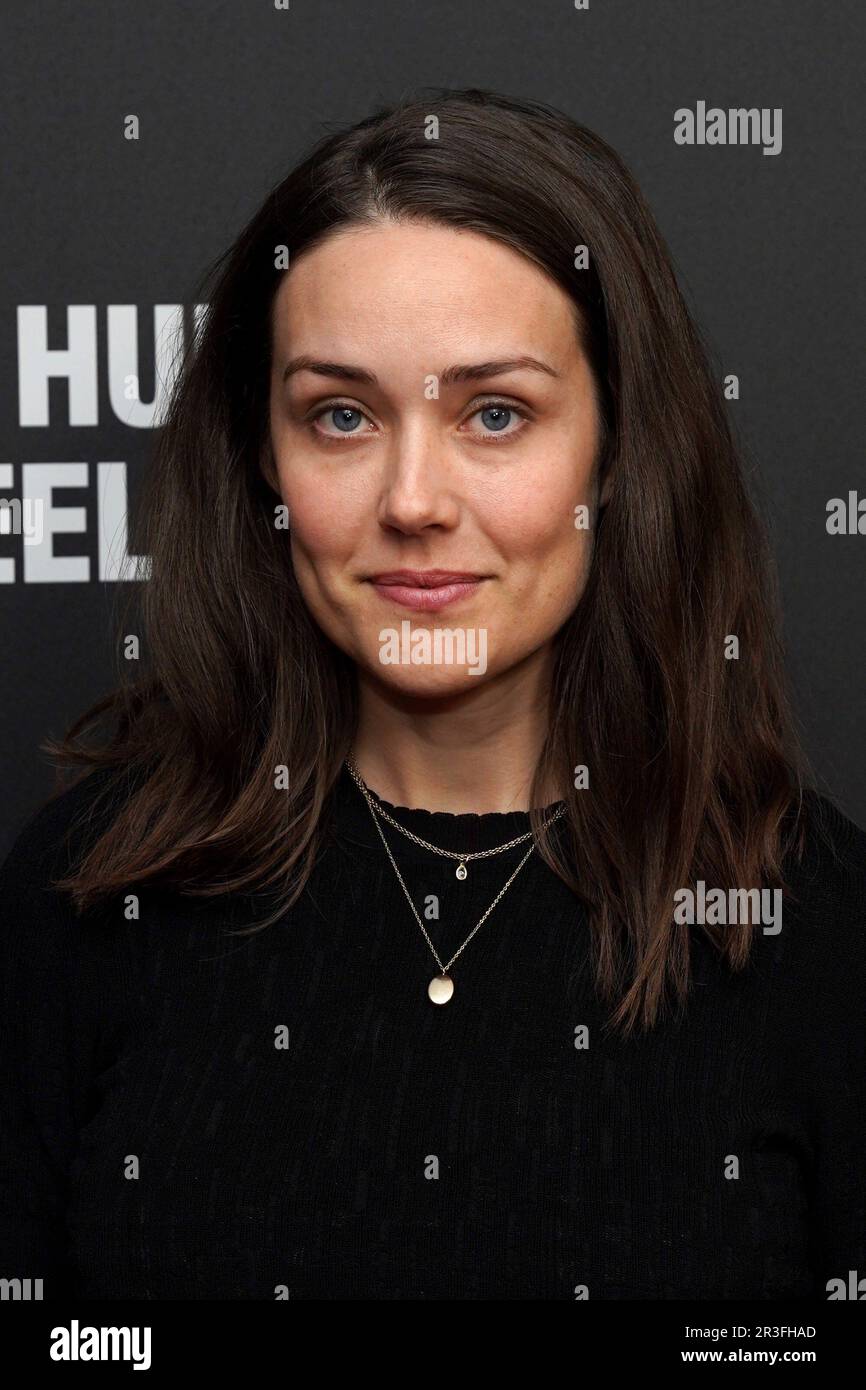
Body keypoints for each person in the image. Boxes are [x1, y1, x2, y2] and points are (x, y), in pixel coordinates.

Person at [1, 88, 863, 1301]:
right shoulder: (92, 893)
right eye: (339, 415)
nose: (412, 500)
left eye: (494, 413)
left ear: (616, 451)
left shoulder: (811, 929)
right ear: (264, 459)